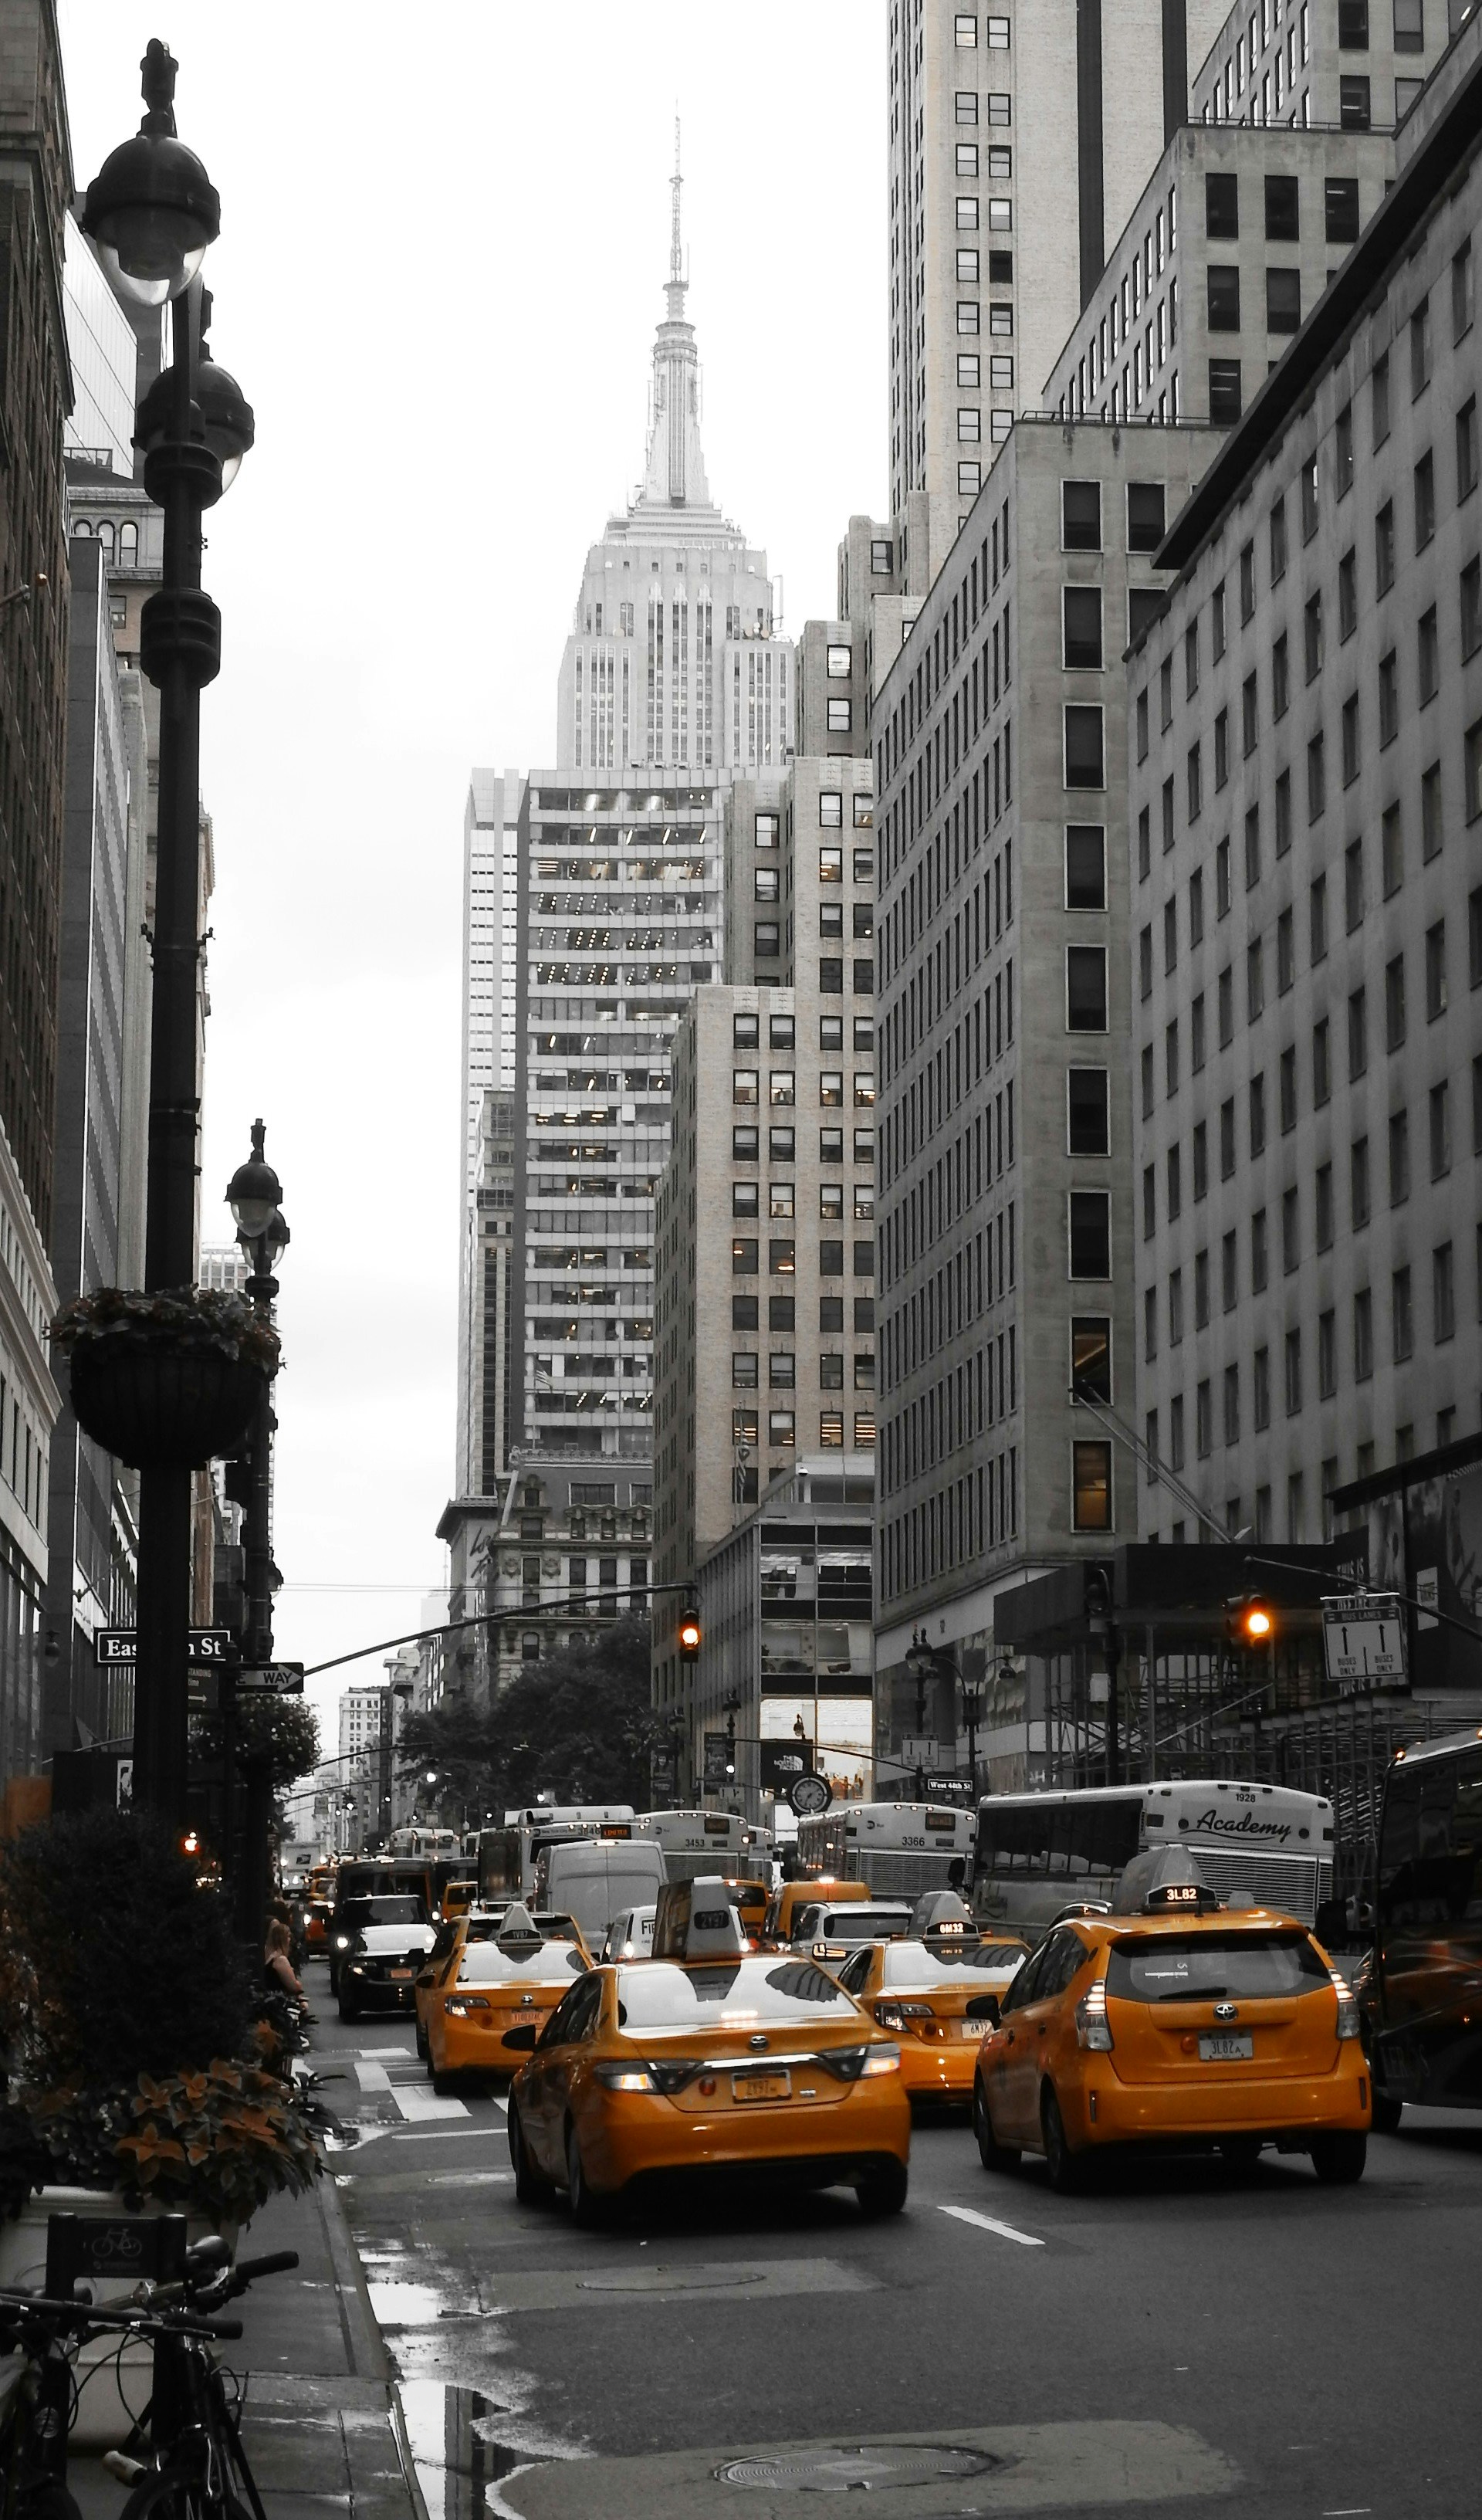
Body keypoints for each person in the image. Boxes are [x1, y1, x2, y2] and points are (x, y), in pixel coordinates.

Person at [264, 1917, 303, 1999]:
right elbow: (294, 1987)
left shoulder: (272, 1957)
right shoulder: (280, 1960)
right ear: (283, 1939)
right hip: (280, 2002)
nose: (290, 1940)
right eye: (289, 1936)